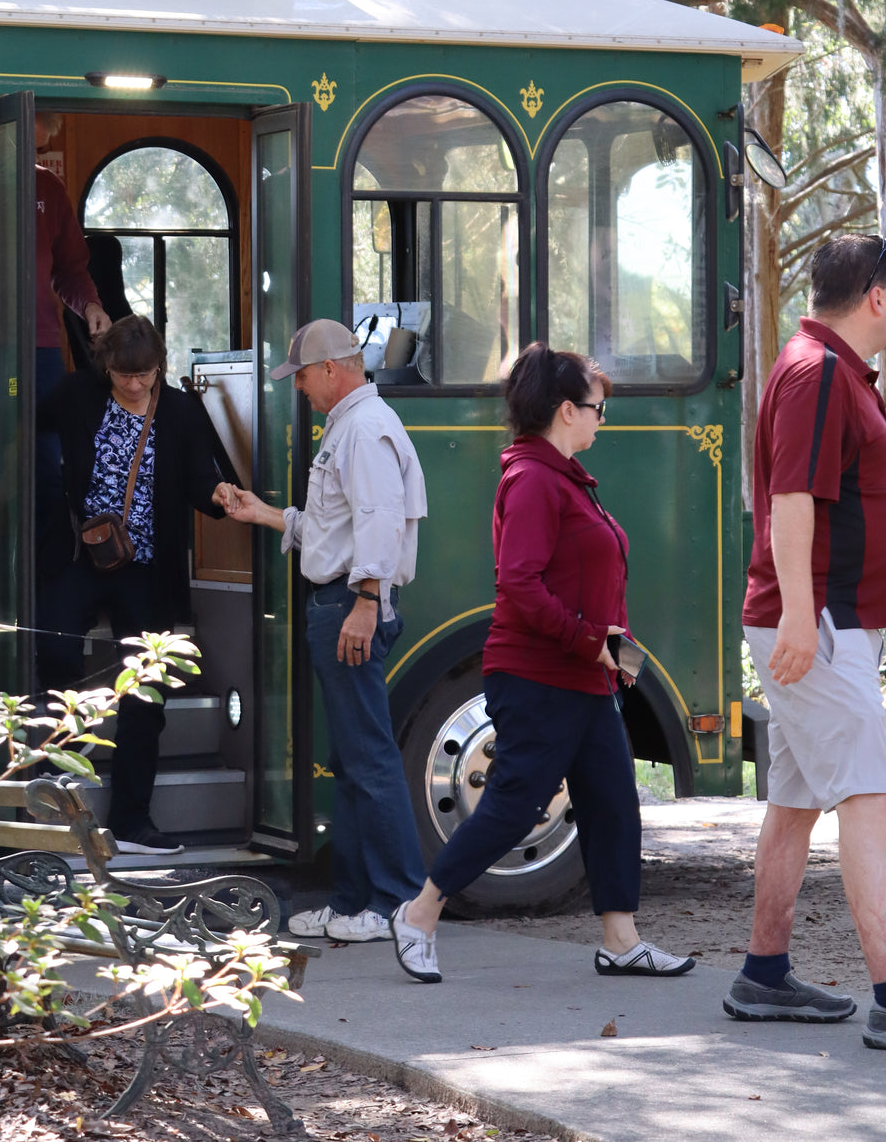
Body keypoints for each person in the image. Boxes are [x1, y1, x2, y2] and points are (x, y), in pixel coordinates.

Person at [388, 342, 694, 985]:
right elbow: (520, 587)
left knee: (613, 803)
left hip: (584, 676)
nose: (601, 420)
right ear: (564, 411)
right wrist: (591, 642)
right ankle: (418, 914)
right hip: (537, 675)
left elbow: (595, 581)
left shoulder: (565, 479)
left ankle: (621, 940)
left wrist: (619, 654)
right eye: (596, 410)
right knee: (511, 806)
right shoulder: (532, 480)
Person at [724, 234, 886, 1044]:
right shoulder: (818, 371)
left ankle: (763, 974)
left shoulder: (826, 368)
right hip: (818, 622)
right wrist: (797, 613)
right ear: (877, 297)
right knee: (869, 790)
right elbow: (792, 499)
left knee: (793, 801)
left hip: (820, 617)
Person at [224, 319, 428, 942]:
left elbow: (377, 523)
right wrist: (265, 513)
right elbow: (339, 528)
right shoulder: (354, 426)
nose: (302, 389)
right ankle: (353, 902)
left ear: (333, 371)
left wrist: (366, 600)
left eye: (305, 377)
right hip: (344, 601)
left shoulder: (362, 430)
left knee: (366, 759)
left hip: (347, 605)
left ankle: (391, 901)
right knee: (354, 758)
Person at [36, 314, 238, 850]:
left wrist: (217, 495)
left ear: (158, 368)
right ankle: (53, 784)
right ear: (107, 365)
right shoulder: (79, 394)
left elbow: (199, 475)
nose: (133, 385)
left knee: (146, 692)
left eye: (144, 374)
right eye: (124, 374)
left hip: (146, 566)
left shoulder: (177, 410)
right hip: (80, 555)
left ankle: (132, 817)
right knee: (55, 654)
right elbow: (26, 420)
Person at [35, 112, 110, 571]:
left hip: (42, 346)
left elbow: (70, 271)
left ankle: (46, 583)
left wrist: (92, 307)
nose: (58, 129)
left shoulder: (49, 189)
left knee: (47, 467)